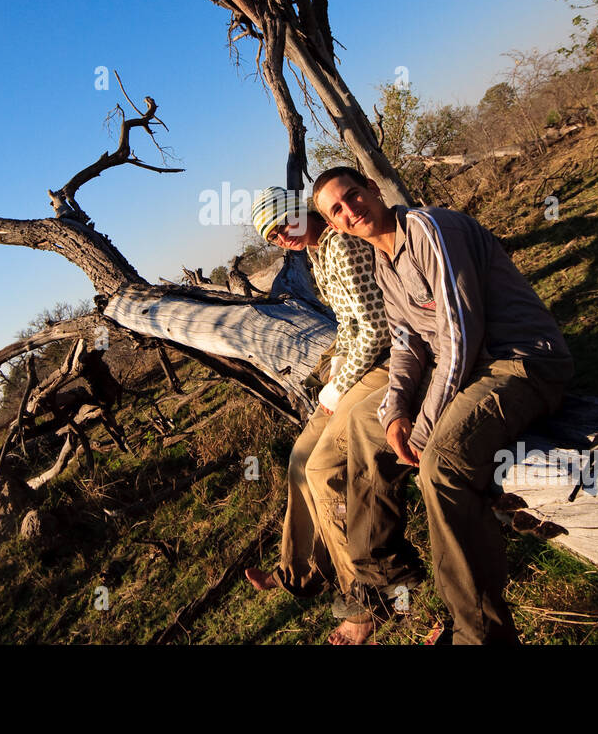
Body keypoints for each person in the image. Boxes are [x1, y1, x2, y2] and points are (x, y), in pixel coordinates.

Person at [312, 166, 574, 645]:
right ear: (334, 225)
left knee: (441, 465)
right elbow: (407, 345)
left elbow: (459, 335)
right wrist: (394, 413)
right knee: (367, 433)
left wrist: (422, 426)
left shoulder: (431, 231)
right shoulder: (381, 261)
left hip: (519, 363)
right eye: (337, 210)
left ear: (373, 189)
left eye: (354, 195)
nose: (352, 210)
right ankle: (381, 581)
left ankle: (480, 633)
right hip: (469, 368)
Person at [242, 186, 421, 643]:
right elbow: (349, 324)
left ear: (301, 211)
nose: (282, 236)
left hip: (387, 362)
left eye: (285, 223)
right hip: (360, 363)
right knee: (299, 459)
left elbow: (379, 327)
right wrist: (337, 366)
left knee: (323, 471)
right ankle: (302, 572)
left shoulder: (340, 244)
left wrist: (339, 385)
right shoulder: (318, 252)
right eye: (273, 235)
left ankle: (366, 600)